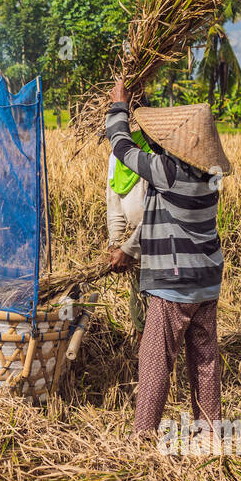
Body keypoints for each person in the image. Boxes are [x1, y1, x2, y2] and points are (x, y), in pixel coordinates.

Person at [106, 79, 231, 434]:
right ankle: (208, 432)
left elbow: (123, 149)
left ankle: (143, 433)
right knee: (204, 357)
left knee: (155, 356)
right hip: (207, 280)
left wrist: (118, 107)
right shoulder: (212, 176)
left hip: (173, 283)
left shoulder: (168, 172)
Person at [106, 117, 152, 331]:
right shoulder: (115, 158)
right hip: (134, 247)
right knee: (140, 309)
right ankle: (145, 361)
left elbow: (155, 216)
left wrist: (128, 248)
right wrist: (116, 243)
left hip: (157, 243)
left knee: (160, 314)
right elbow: (114, 205)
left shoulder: (153, 157)